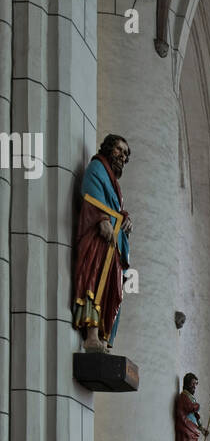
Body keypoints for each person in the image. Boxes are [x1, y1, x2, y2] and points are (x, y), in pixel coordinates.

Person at [72, 134, 133, 351]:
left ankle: (104, 337)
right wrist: (103, 218)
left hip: (113, 244)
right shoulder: (97, 168)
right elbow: (90, 194)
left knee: (112, 289)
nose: (122, 156)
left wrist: (124, 219)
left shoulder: (114, 183)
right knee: (95, 282)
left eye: (125, 154)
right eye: (119, 150)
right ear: (108, 148)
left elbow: (115, 208)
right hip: (98, 242)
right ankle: (91, 334)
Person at [175, 373, 208, 441]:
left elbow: (196, 416)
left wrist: (202, 429)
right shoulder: (184, 396)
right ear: (187, 384)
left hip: (193, 430)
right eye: (193, 384)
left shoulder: (191, 398)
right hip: (187, 428)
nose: (194, 386)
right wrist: (197, 406)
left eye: (195, 384)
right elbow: (189, 408)